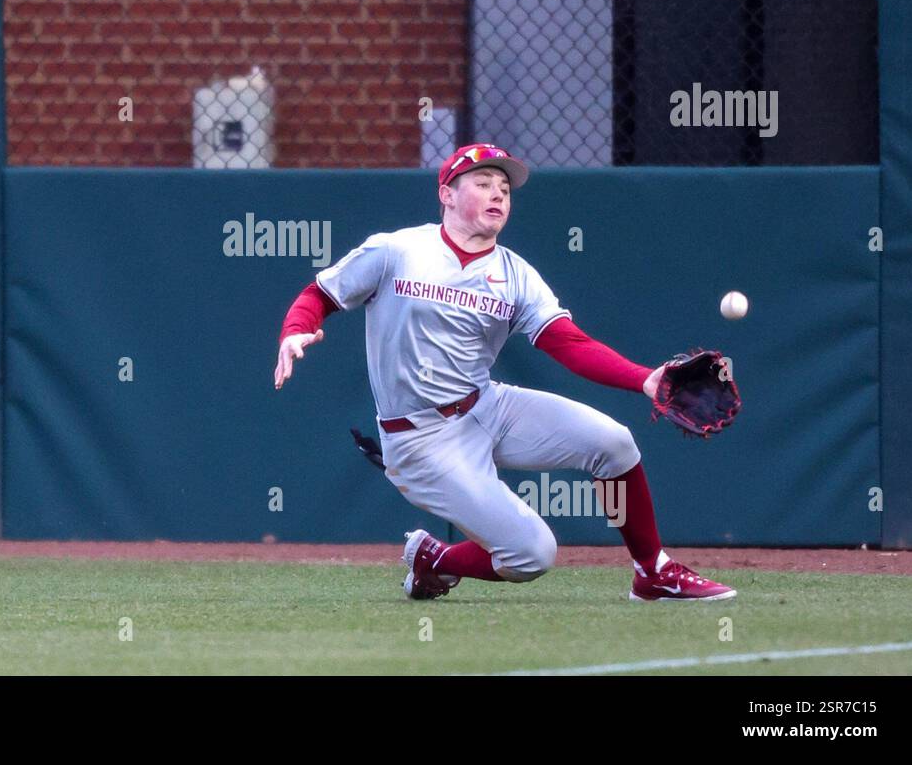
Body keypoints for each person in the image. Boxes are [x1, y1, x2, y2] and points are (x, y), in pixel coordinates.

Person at [273, 143, 736, 602]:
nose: (498, 194)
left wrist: (645, 379)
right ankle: (434, 559)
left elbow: (569, 344)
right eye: (483, 183)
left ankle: (652, 572)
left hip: (487, 405)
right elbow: (320, 294)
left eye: (505, 188)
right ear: (447, 194)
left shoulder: (515, 274)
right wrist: (296, 331)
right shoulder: (397, 251)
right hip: (420, 440)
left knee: (614, 444)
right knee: (531, 554)